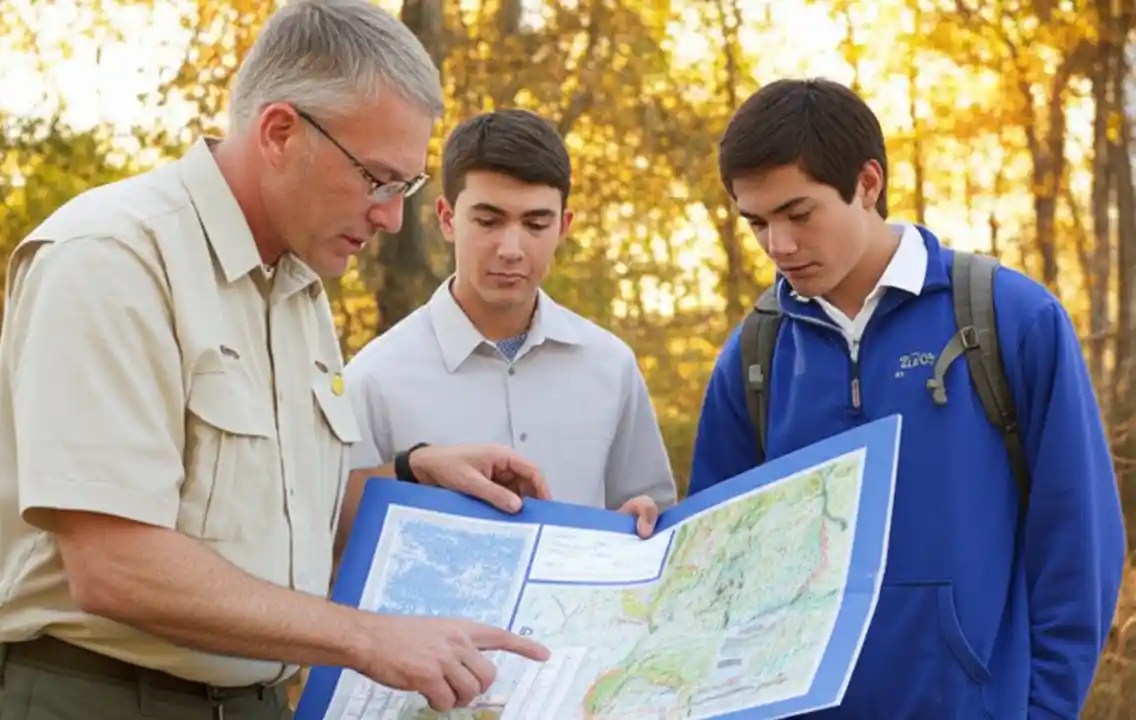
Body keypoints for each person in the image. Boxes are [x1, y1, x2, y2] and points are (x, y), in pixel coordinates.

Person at [0, 2, 555, 718]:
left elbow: (273, 519)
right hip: (101, 697)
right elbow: (115, 566)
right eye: (379, 180)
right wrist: (365, 638)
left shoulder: (297, 288)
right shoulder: (113, 260)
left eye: (407, 188)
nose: (392, 216)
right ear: (279, 132)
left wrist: (408, 475)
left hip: (252, 700)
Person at [689, 77, 1125, 719]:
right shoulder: (754, 356)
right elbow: (719, 571)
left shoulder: (1011, 319)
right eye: (757, 223)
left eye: (798, 214)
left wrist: (1045, 712)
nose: (777, 247)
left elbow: (1078, 545)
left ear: (868, 183)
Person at [340, 108, 678, 542]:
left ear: (564, 226)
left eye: (536, 224)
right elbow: (330, 535)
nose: (512, 249)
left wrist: (641, 524)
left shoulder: (611, 366)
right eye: (488, 221)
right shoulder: (374, 379)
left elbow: (654, 517)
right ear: (446, 219)